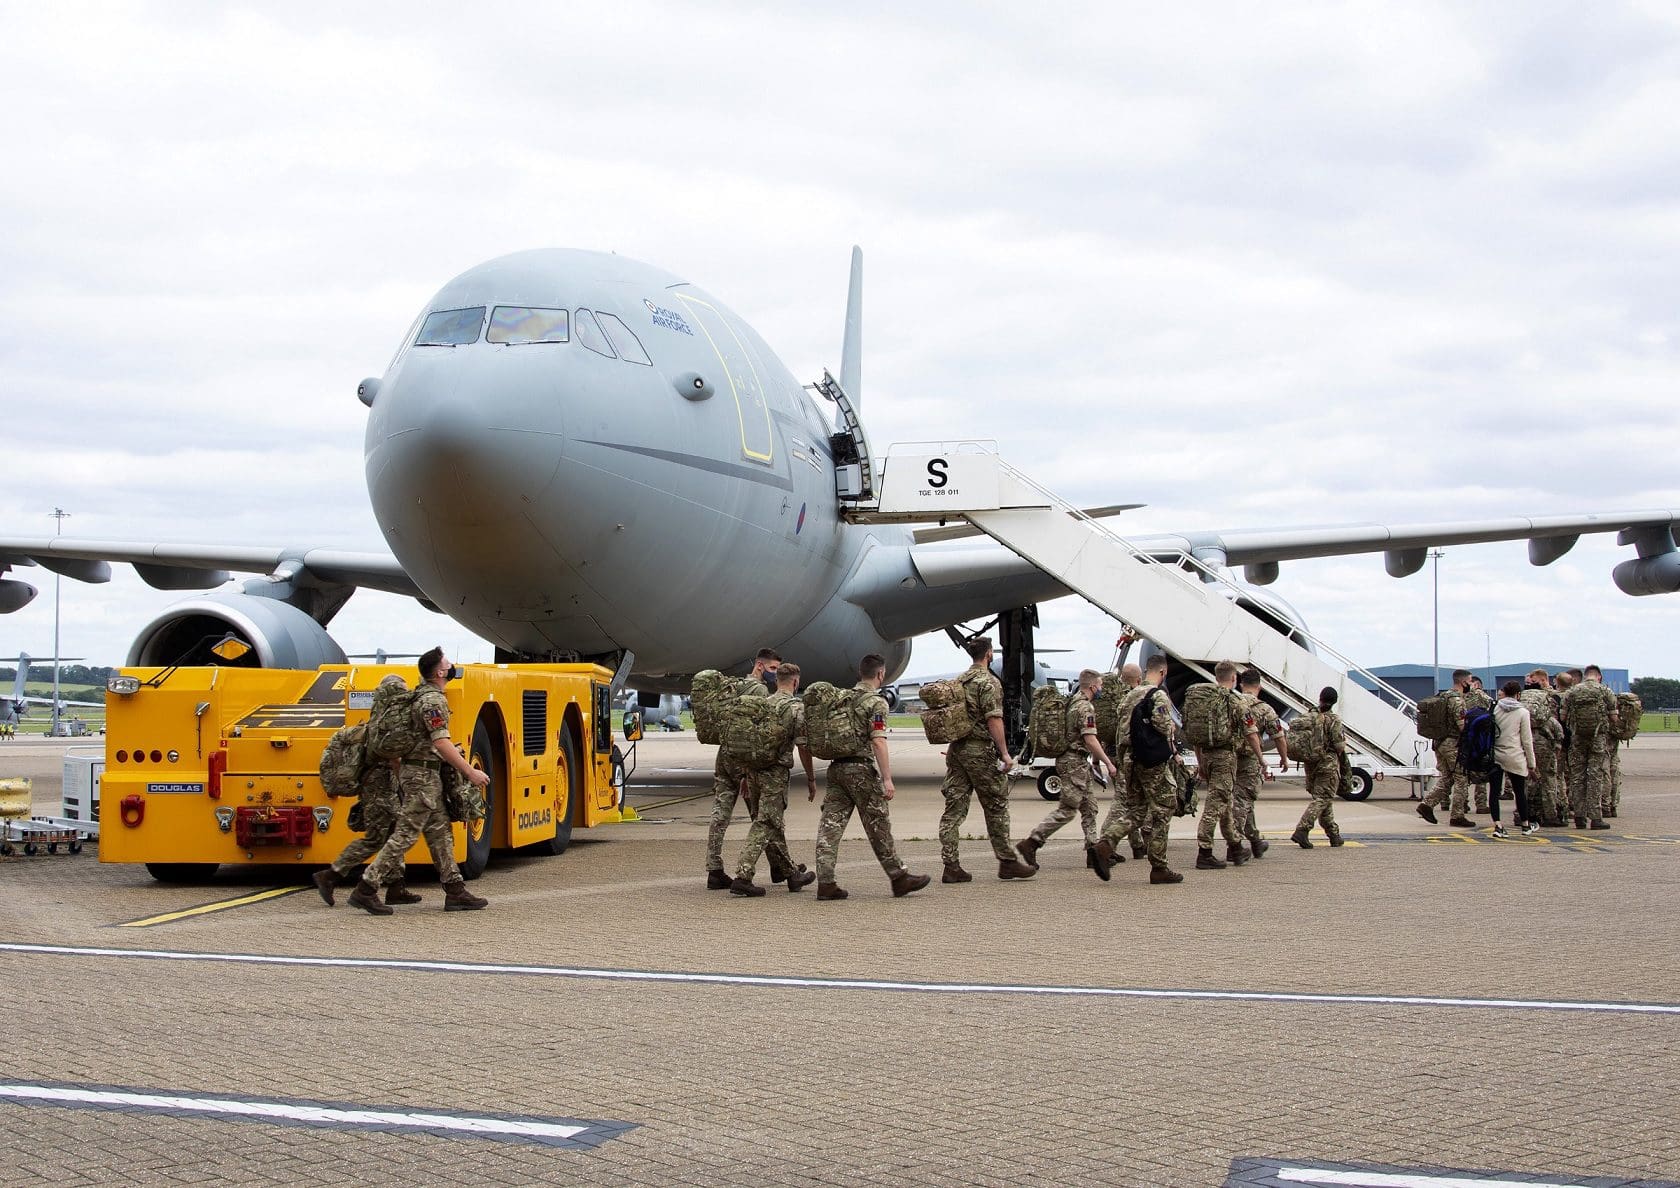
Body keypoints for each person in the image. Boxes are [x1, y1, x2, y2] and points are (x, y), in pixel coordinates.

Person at [349, 648, 492, 915]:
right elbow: (440, 741)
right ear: (439, 672)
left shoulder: (424, 697)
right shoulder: (431, 701)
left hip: (425, 775)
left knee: (440, 834)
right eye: (447, 663)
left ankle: (455, 890)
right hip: (421, 779)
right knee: (405, 834)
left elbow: (429, 742)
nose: (451, 666)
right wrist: (469, 772)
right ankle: (366, 888)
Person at [813, 654, 931, 900]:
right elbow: (878, 740)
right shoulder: (876, 703)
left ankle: (825, 882)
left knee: (830, 826)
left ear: (860, 673)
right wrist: (887, 778)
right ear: (880, 674)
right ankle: (899, 877)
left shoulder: (841, 699)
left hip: (836, 769)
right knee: (878, 824)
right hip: (860, 770)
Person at [938, 637, 1035, 882]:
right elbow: (994, 719)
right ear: (989, 654)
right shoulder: (988, 682)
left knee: (953, 809)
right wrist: (1004, 753)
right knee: (996, 805)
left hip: (957, 750)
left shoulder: (959, 680)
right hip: (979, 751)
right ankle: (1007, 862)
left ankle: (951, 866)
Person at [705, 648, 800, 890]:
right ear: (759, 665)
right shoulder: (759, 691)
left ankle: (714, 868)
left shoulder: (735, 686)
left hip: (724, 753)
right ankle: (782, 868)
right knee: (765, 816)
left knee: (720, 813)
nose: (775, 674)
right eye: (772, 669)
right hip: (745, 758)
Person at [313, 687, 412, 907]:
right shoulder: (384, 729)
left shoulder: (374, 723)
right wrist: (406, 785)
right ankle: (330, 876)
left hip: (381, 789)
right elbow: (395, 760)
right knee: (377, 838)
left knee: (395, 834)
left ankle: (396, 886)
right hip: (379, 791)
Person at [1018, 669, 1119, 880]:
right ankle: (1032, 842)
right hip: (1074, 762)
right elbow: (1090, 739)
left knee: (1089, 807)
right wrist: (1107, 762)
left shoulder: (1073, 702)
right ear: (1092, 686)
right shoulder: (1085, 707)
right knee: (1067, 810)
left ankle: (1093, 852)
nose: (1101, 689)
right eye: (1100, 685)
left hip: (1076, 761)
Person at [1093, 653, 1182, 884]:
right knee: (1164, 809)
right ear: (1162, 673)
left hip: (1131, 761)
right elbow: (1164, 727)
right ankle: (1159, 867)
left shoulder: (1129, 696)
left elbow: (1120, 732)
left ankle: (1105, 843)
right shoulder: (1158, 695)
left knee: (1138, 810)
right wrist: (1171, 728)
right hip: (1151, 762)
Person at [731, 663, 818, 895]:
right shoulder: (796, 708)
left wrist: (744, 776)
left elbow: (749, 740)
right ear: (796, 682)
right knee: (767, 823)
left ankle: (789, 873)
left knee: (773, 824)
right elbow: (803, 747)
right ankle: (743, 875)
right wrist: (810, 778)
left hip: (753, 771)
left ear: (775, 680)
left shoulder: (763, 703)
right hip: (774, 773)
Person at [1191, 660, 1263, 871]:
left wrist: (1200, 762)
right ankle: (1204, 853)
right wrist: (1260, 757)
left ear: (1216, 677)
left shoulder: (1206, 701)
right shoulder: (1235, 701)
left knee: (1226, 803)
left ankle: (1236, 846)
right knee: (1215, 805)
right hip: (1224, 758)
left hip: (1207, 755)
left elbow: (1196, 736)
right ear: (1234, 678)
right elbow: (1251, 732)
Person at [1233, 670, 1287, 859]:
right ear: (1260, 687)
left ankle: (1255, 842)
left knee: (1244, 800)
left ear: (1240, 685)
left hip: (1228, 759)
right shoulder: (1264, 709)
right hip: (1249, 760)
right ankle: (1235, 845)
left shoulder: (1231, 703)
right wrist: (1284, 758)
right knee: (1243, 800)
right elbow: (1278, 736)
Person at [1098, 664, 1150, 859]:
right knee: (1122, 800)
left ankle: (1137, 845)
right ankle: (1104, 842)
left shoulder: (1116, 699)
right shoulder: (1136, 697)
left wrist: (1098, 759)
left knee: (1132, 800)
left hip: (1112, 752)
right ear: (1138, 679)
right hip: (1127, 755)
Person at [1561, 665, 1618, 830]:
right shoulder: (1605, 691)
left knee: (1577, 777)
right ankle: (1595, 817)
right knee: (1595, 777)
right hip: (1597, 740)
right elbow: (1614, 718)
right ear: (1598, 677)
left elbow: (1563, 717)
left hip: (1577, 739)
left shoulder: (1572, 692)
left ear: (1585, 676)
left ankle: (1579, 817)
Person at [1292, 686, 1349, 848]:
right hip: (1327, 763)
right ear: (1335, 701)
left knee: (1324, 799)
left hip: (1310, 764)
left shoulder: (1309, 715)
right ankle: (1302, 830)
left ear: (1320, 698)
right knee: (1323, 798)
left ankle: (1333, 834)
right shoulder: (1333, 719)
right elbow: (1339, 746)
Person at [1417, 670, 1474, 827]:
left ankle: (1426, 805)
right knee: (1462, 778)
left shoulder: (1444, 696)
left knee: (1447, 777)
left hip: (1439, 743)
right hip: (1453, 743)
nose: (1471, 685)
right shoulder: (1457, 701)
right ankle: (1457, 815)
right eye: (1470, 681)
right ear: (1463, 682)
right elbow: (1462, 726)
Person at [1488, 680, 1538, 837]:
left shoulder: (1495, 708)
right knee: (1519, 792)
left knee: (1494, 792)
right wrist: (1531, 764)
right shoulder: (1523, 712)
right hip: (1515, 755)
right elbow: (1527, 740)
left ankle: (1498, 825)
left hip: (1495, 755)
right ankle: (1525, 825)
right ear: (1518, 694)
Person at [1518, 669, 1564, 827]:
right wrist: (1558, 741)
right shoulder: (1549, 697)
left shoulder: (1521, 697)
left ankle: (1522, 814)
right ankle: (1550, 815)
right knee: (1548, 778)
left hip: (1522, 740)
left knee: (1524, 778)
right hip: (1543, 740)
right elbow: (1554, 721)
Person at [1464, 676, 1494, 813]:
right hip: (1479, 737)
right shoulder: (1480, 695)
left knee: (1462, 773)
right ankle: (1481, 804)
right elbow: (1492, 708)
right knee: (1481, 771)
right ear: (1477, 685)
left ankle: (1462, 802)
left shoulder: (1460, 697)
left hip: (1464, 737)